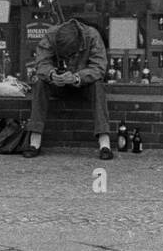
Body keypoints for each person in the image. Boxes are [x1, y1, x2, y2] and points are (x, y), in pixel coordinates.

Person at [24, 18, 113, 159]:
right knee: (40, 84)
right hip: (57, 83)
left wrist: (78, 77)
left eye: (70, 55)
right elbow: (41, 63)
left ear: (78, 45)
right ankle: (35, 140)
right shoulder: (51, 35)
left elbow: (99, 67)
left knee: (98, 86)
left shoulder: (92, 36)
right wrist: (52, 74)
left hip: (83, 83)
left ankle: (104, 142)